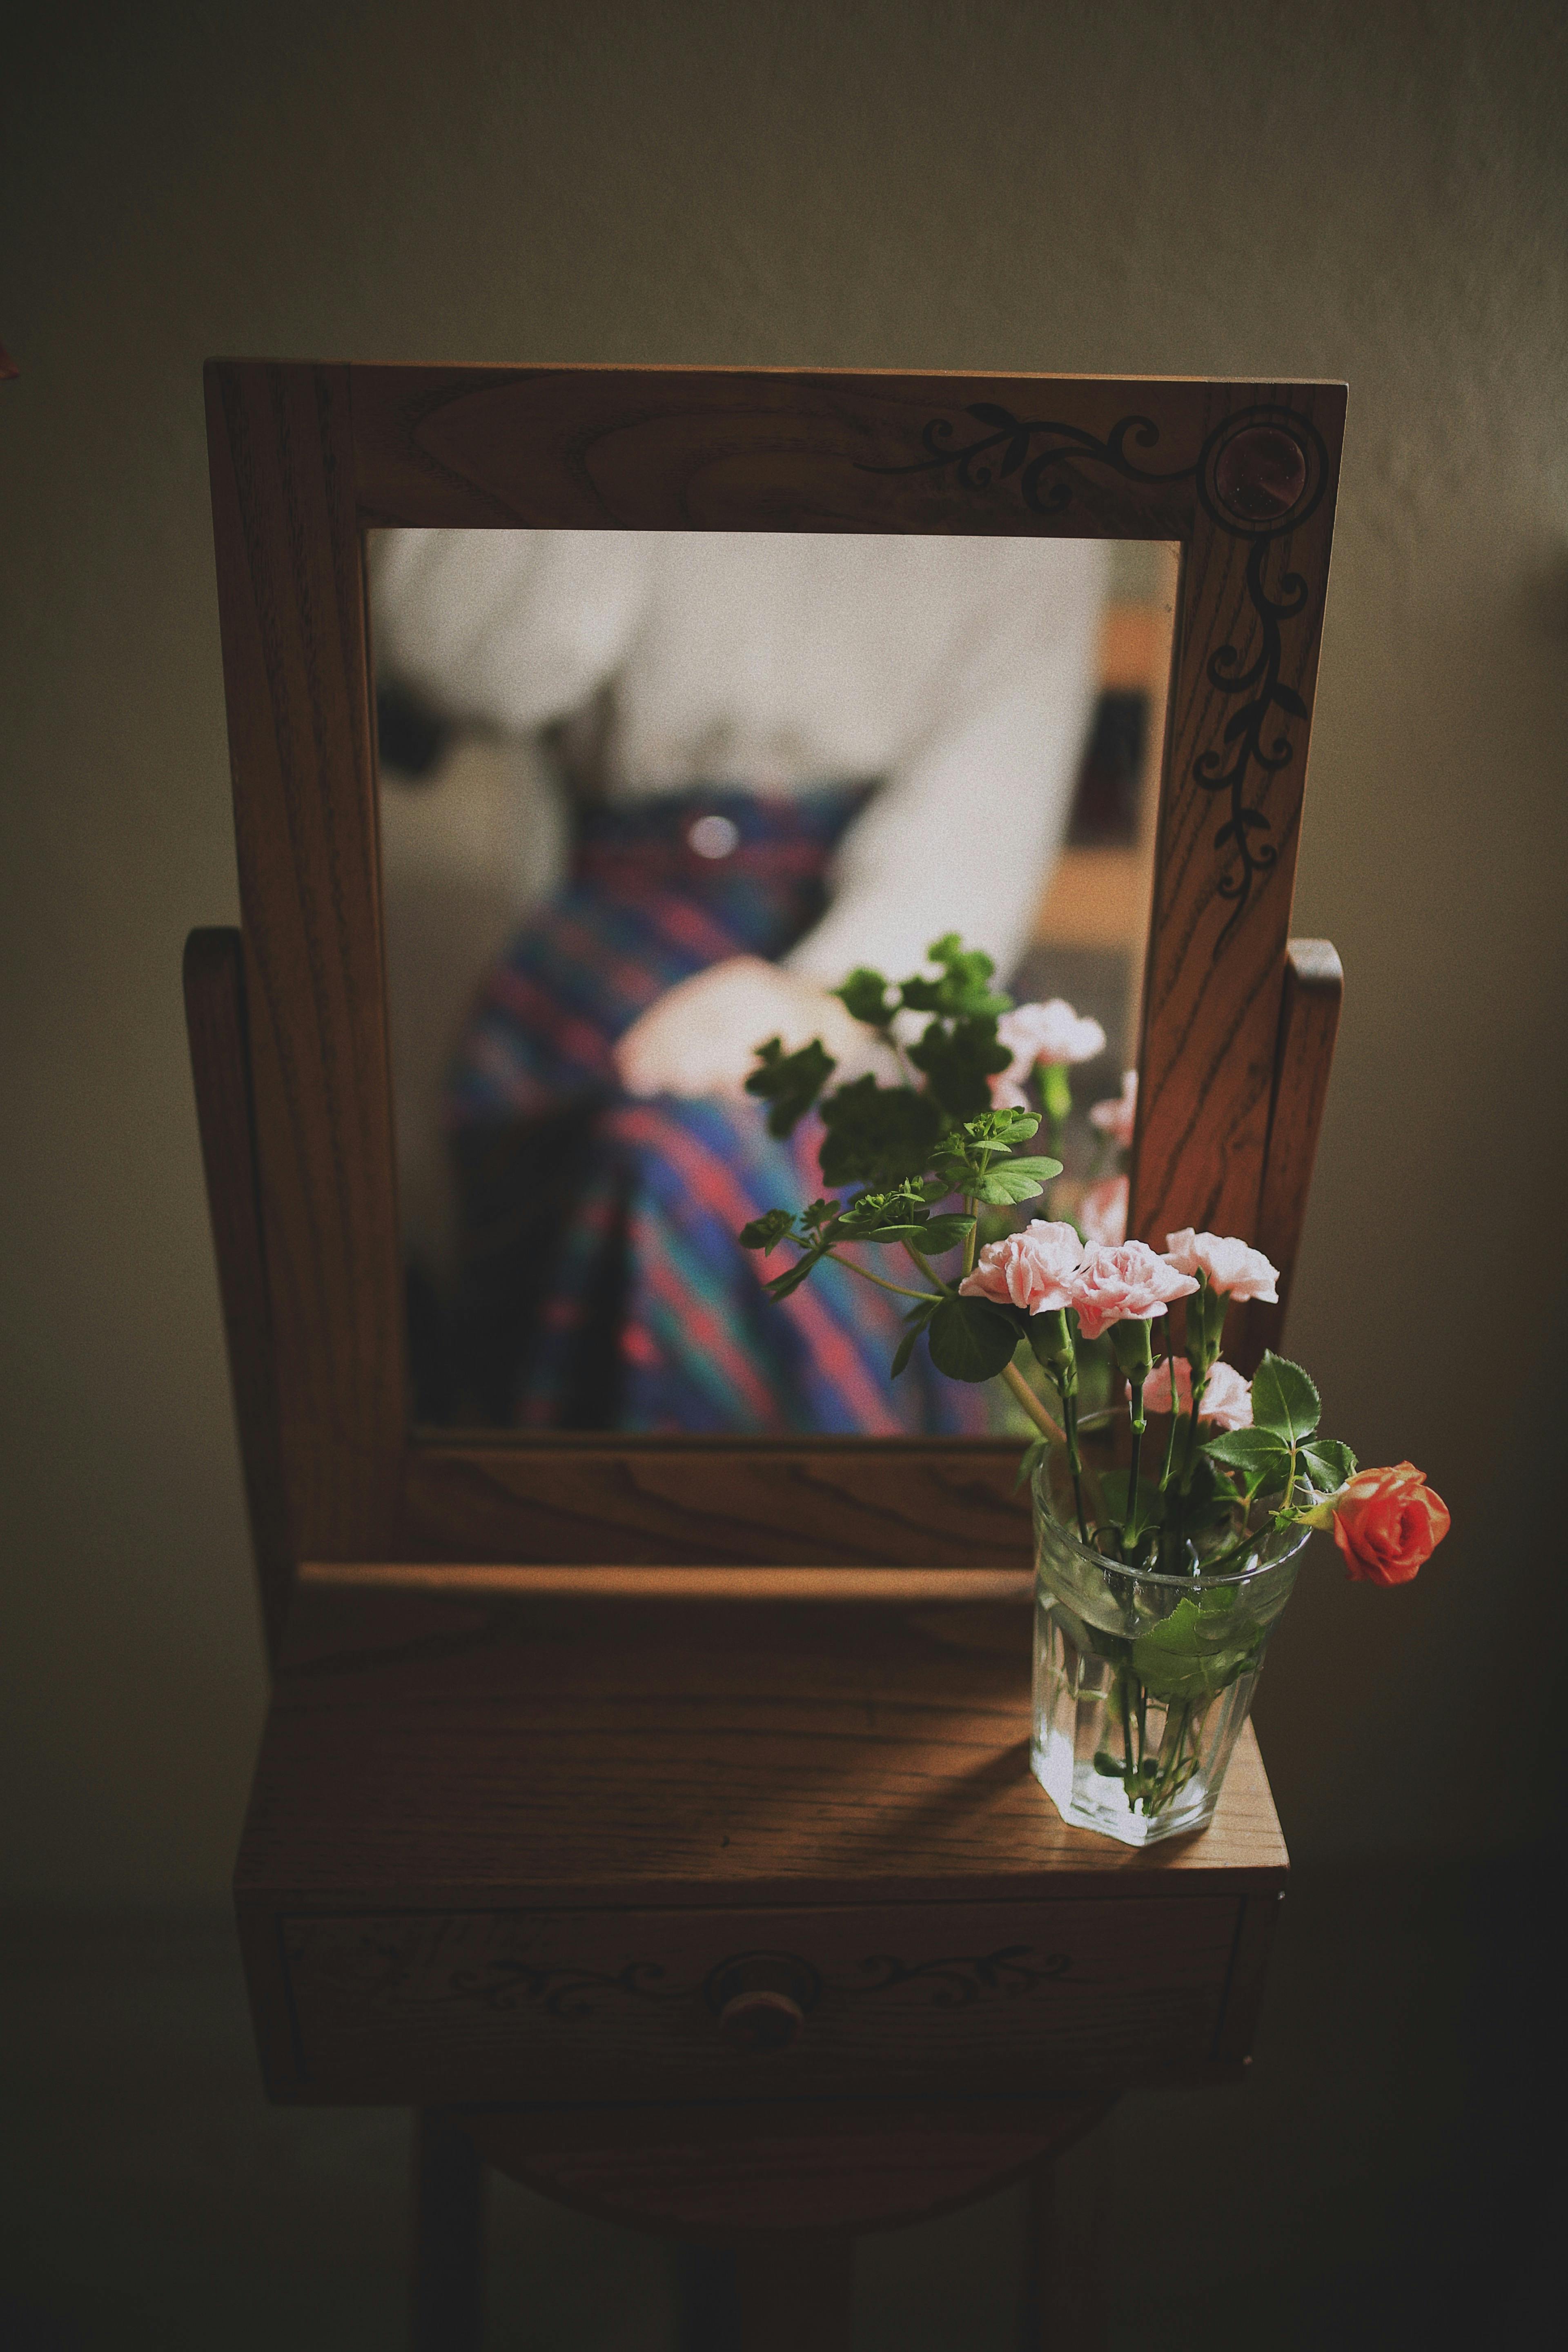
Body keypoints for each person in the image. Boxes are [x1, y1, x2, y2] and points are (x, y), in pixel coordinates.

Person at [372, 527, 1107, 1433]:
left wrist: (828, 1000)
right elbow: (456, 659)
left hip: (900, 950)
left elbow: (986, 811)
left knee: (699, 1181)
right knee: (649, 1177)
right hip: (612, 947)